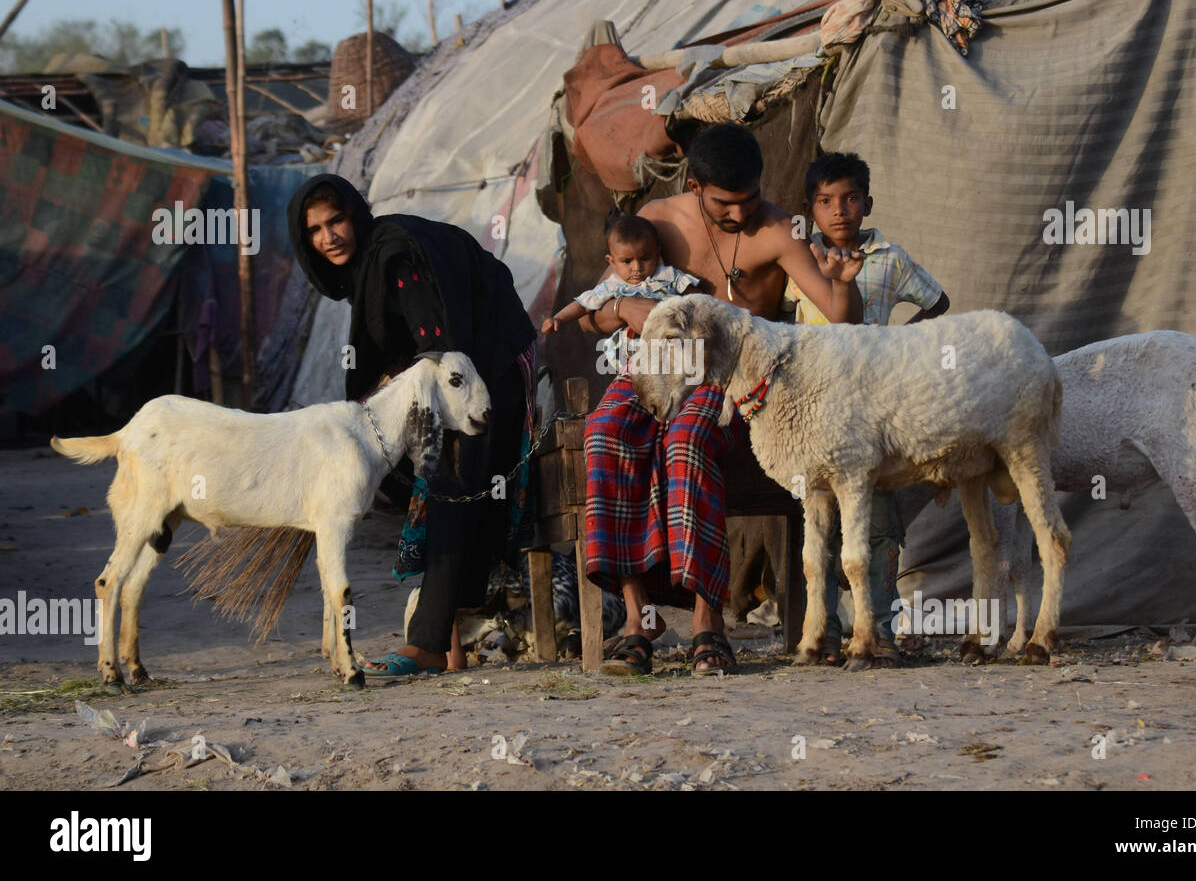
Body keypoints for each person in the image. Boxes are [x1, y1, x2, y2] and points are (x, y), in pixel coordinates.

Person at [579, 124, 865, 676]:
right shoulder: (658, 222)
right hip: (654, 367)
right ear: (694, 185)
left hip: (725, 376)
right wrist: (622, 313)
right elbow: (594, 311)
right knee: (605, 431)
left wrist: (845, 282)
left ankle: (710, 624)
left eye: (750, 200)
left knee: (687, 440)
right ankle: (638, 624)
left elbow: (841, 321)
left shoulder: (780, 230)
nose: (739, 215)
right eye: (724, 205)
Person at [288, 175, 536, 677]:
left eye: (336, 220)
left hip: (488, 369)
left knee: (451, 489)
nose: (328, 237)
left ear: (355, 214)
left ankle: (428, 644)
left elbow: (440, 346)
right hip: (462, 367)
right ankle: (451, 646)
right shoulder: (372, 264)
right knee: (448, 491)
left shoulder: (395, 255)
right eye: (314, 230)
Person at [785, 151, 950, 666]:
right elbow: (790, 321)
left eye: (851, 198)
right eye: (827, 201)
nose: (840, 211)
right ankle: (825, 633)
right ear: (811, 209)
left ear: (868, 203)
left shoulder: (890, 258)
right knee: (819, 522)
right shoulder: (801, 260)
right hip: (817, 405)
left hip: (875, 405)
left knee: (877, 523)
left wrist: (903, 345)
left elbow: (938, 302)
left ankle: (877, 631)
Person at [542, 212, 698, 370]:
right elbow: (583, 305)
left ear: (657, 253)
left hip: (675, 349)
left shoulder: (668, 275)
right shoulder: (613, 285)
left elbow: (696, 297)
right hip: (634, 358)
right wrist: (558, 319)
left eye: (645, 258)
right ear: (612, 261)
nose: (637, 268)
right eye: (627, 261)